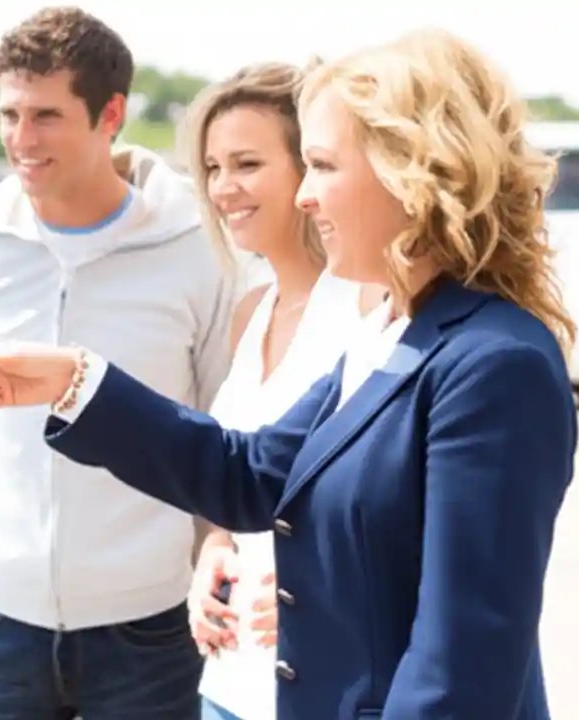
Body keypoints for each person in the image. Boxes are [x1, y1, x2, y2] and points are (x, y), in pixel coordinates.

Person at [0, 27, 576, 720]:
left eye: (323, 165)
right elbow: (250, 475)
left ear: (412, 169)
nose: (306, 198)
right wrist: (76, 380)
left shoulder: (495, 365)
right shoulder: (395, 331)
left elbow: (461, 668)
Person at [0, 6, 236, 718]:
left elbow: (221, 422)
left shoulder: (194, 251)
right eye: (9, 114)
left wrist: (211, 552)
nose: (21, 140)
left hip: (151, 624)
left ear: (110, 113)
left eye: (45, 116)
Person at [176, 61, 385, 720]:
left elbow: (393, 502)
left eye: (246, 163)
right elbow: (243, 480)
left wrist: (322, 585)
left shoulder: (370, 307)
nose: (224, 188)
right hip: (227, 685)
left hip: (323, 685)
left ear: (310, 168)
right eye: (212, 168)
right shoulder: (249, 312)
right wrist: (212, 550)